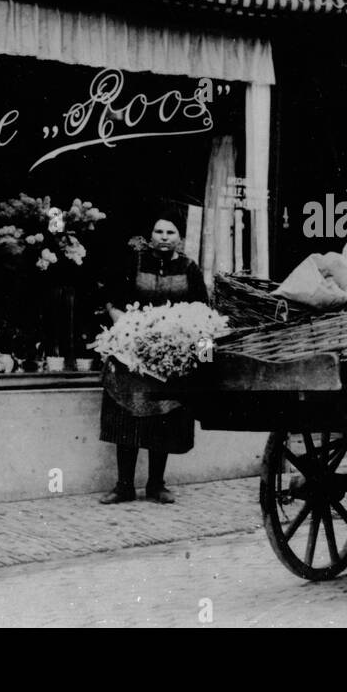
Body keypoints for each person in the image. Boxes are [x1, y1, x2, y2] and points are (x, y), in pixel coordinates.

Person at [99, 213, 209, 505]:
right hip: (132, 353)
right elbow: (113, 300)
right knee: (127, 417)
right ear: (150, 236)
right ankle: (123, 486)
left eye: (170, 232)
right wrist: (125, 328)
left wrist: (203, 357)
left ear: (179, 238)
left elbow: (203, 312)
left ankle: (156, 485)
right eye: (158, 230)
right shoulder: (133, 263)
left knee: (163, 418)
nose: (163, 236)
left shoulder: (190, 268)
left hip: (168, 356)